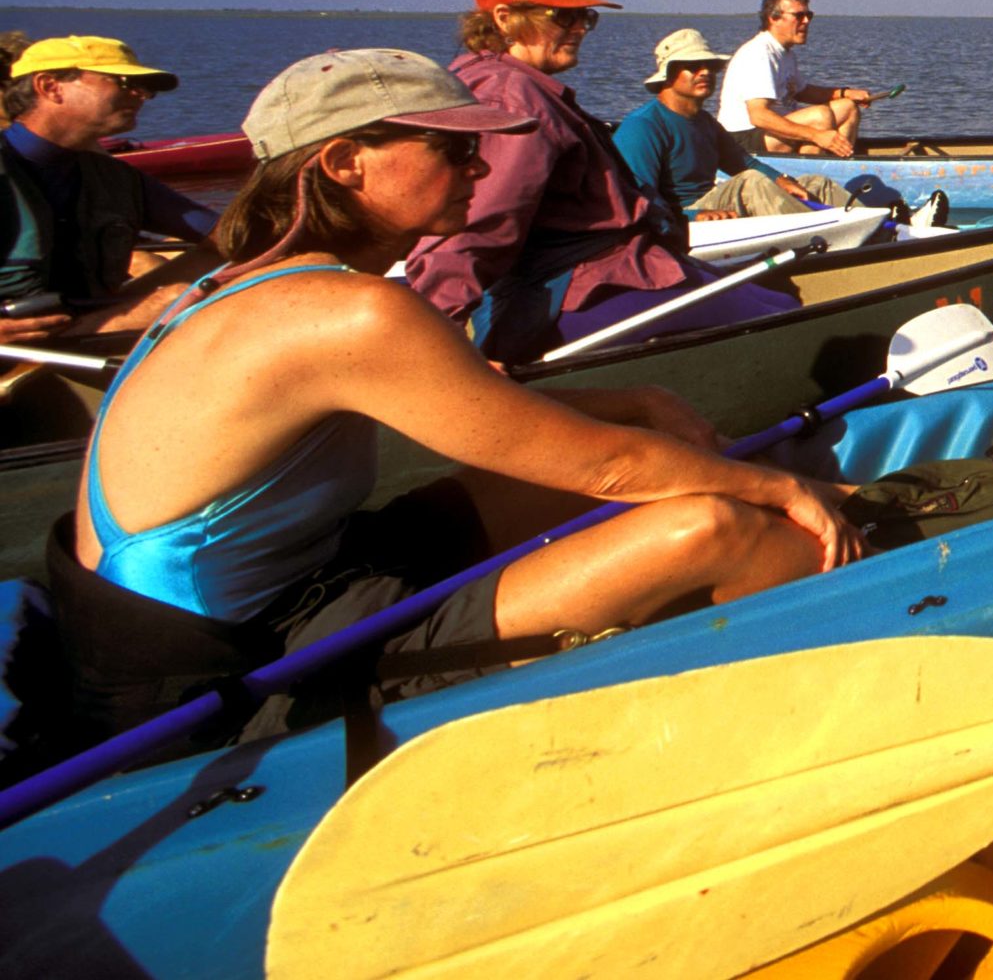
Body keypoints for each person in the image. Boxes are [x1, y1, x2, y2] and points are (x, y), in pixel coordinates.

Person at [50, 47, 855, 743]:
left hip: (304, 581)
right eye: (450, 149)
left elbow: (510, 425)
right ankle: (832, 690)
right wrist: (782, 488)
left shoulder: (227, 286)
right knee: (713, 524)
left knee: (634, 446)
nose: (479, 168)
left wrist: (637, 400)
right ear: (342, 164)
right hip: (222, 675)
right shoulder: (353, 312)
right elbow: (609, 471)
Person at [405, 0, 797, 364]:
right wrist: (433, 349)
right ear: (504, 18)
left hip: (618, 269)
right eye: (562, 16)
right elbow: (472, 227)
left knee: (771, 292)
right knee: (782, 316)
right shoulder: (510, 99)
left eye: (586, 19)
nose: (579, 29)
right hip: (579, 287)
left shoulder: (498, 82)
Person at [1, 35, 217, 339]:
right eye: (124, 82)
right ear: (50, 87)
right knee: (173, 300)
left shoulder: (119, 180)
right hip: (14, 349)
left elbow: (232, 235)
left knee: (217, 261)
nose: (141, 95)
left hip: (82, 330)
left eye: (145, 89)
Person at [612, 29, 856, 232]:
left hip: (711, 206)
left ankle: (878, 232)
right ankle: (823, 234)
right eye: (693, 66)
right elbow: (638, 200)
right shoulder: (643, 127)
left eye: (710, 66)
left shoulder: (705, 122)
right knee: (750, 184)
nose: (705, 72)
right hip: (682, 219)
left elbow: (745, 163)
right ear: (669, 75)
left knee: (816, 184)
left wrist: (782, 181)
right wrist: (692, 215)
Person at [716, 0, 870, 159]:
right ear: (773, 18)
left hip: (769, 133)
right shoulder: (759, 53)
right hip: (741, 140)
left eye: (808, 15)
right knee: (819, 116)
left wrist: (845, 93)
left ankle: (839, 165)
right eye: (798, 16)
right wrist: (816, 135)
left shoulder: (786, 53)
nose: (806, 21)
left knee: (847, 106)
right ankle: (809, 179)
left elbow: (802, 91)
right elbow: (758, 116)